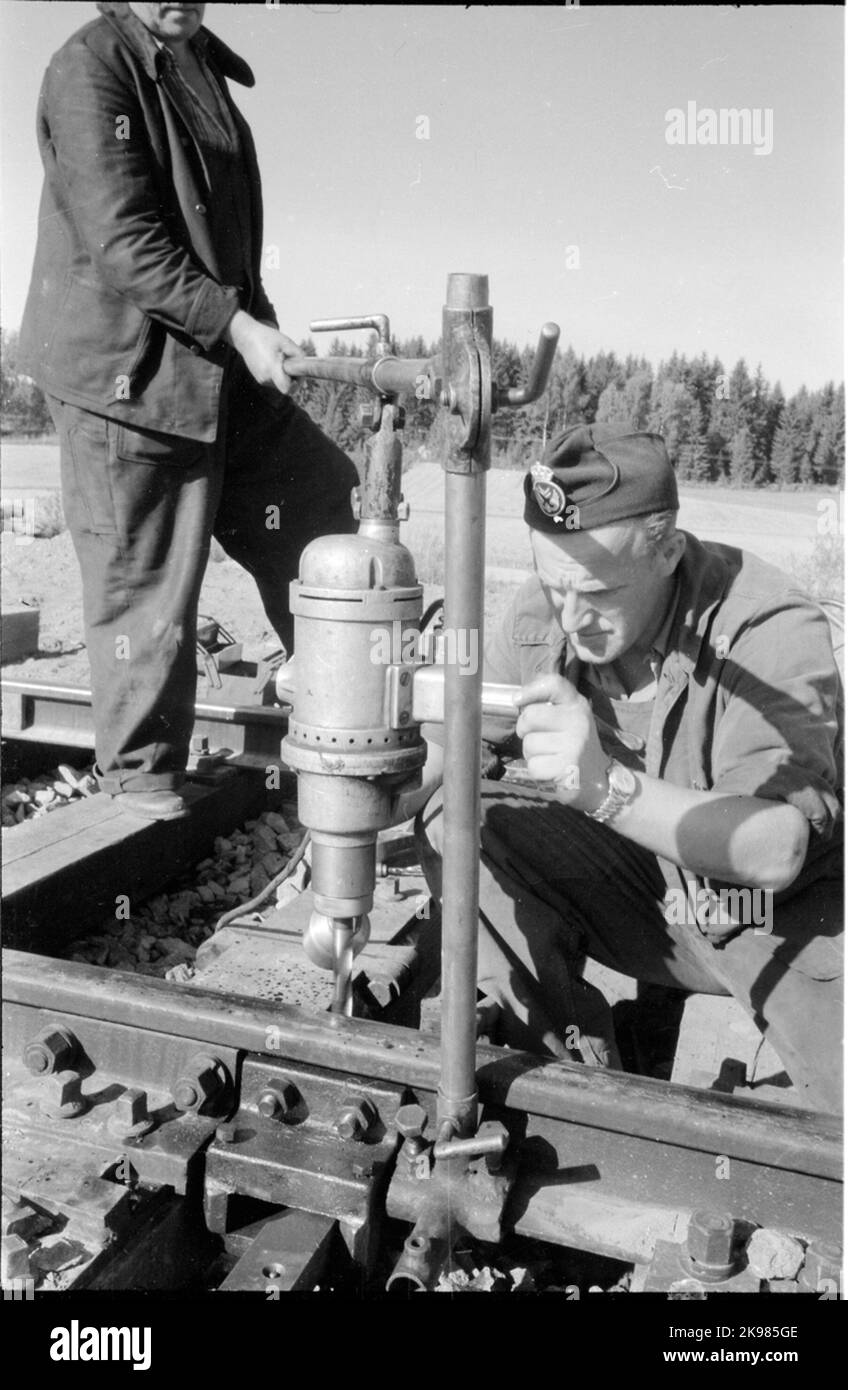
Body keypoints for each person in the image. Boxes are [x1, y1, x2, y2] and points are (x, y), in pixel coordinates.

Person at [412, 422, 844, 1113]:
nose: (571, 619)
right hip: (655, 904)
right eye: (555, 586)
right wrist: (356, 787)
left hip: (779, 919)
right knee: (461, 816)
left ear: (667, 551)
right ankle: (573, 1089)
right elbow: (448, 752)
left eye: (598, 591)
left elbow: (777, 848)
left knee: (825, 1150)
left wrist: (602, 788)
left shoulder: (767, 626)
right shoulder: (546, 610)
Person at [19, 2, 358, 821]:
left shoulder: (201, 66)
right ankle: (139, 795)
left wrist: (260, 326)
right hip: (127, 378)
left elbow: (225, 240)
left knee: (315, 498)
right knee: (148, 590)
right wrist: (238, 326)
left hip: (216, 365)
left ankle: (342, 712)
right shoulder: (90, 66)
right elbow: (125, 240)